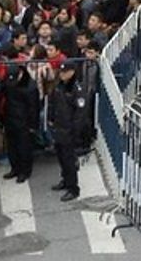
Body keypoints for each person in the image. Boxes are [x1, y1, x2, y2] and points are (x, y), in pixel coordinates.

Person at [48, 61, 89, 202]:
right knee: (61, 157)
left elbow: (81, 114)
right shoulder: (59, 85)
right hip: (59, 128)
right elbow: (53, 102)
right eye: (61, 72)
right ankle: (65, 180)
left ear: (72, 72)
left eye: (65, 72)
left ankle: (73, 188)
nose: (62, 74)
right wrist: (51, 119)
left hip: (69, 131)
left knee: (69, 160)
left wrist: (74, 132)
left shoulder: (77, 89)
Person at [3, 60, 37, 183]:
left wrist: (33, 126)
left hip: (24, 122)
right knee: (12, 147)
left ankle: (25, 171)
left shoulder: (30, 86)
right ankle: (15, 168)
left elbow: (34, 108)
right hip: (11, 118)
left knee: (24, 148)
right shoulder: (10, 80)